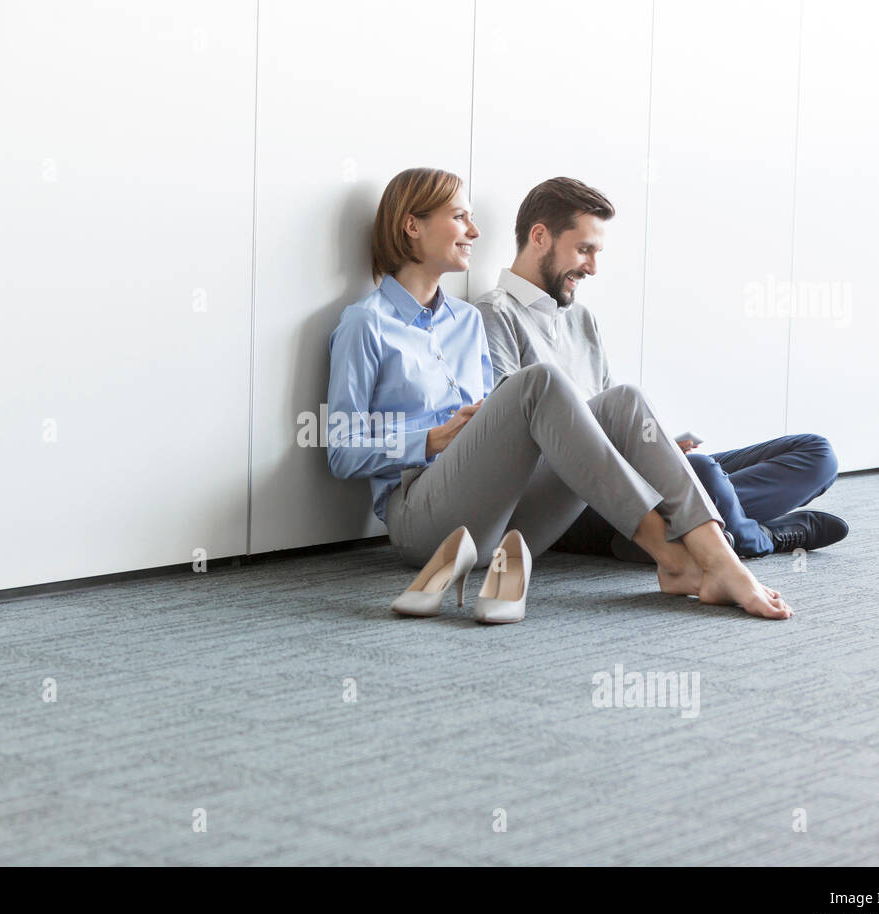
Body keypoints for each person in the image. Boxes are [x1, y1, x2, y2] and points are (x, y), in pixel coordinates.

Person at [325, 167, 792, 619]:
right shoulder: (365, 325)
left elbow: (506, 429)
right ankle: (672, 558)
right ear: (412, 226)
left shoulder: (466, 322)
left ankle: (721, 562)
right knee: (540, 380)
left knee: (623, 401)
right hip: (423, 522)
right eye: (459, 217)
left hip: (503, 518)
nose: (475, 230)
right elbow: (341, 450)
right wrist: (431, 439)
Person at [473, 177, 848, 562]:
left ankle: (711, 526)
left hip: (631, 468)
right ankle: (760, 536)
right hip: (579, 497)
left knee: (816, 453)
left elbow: (613, 409)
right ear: (540, 237)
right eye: (584, 250)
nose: (594, 267)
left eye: (597, 252)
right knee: (703, 473)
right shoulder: (493, 315)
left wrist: (657, 445)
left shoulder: (582, 318)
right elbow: (510, 444)